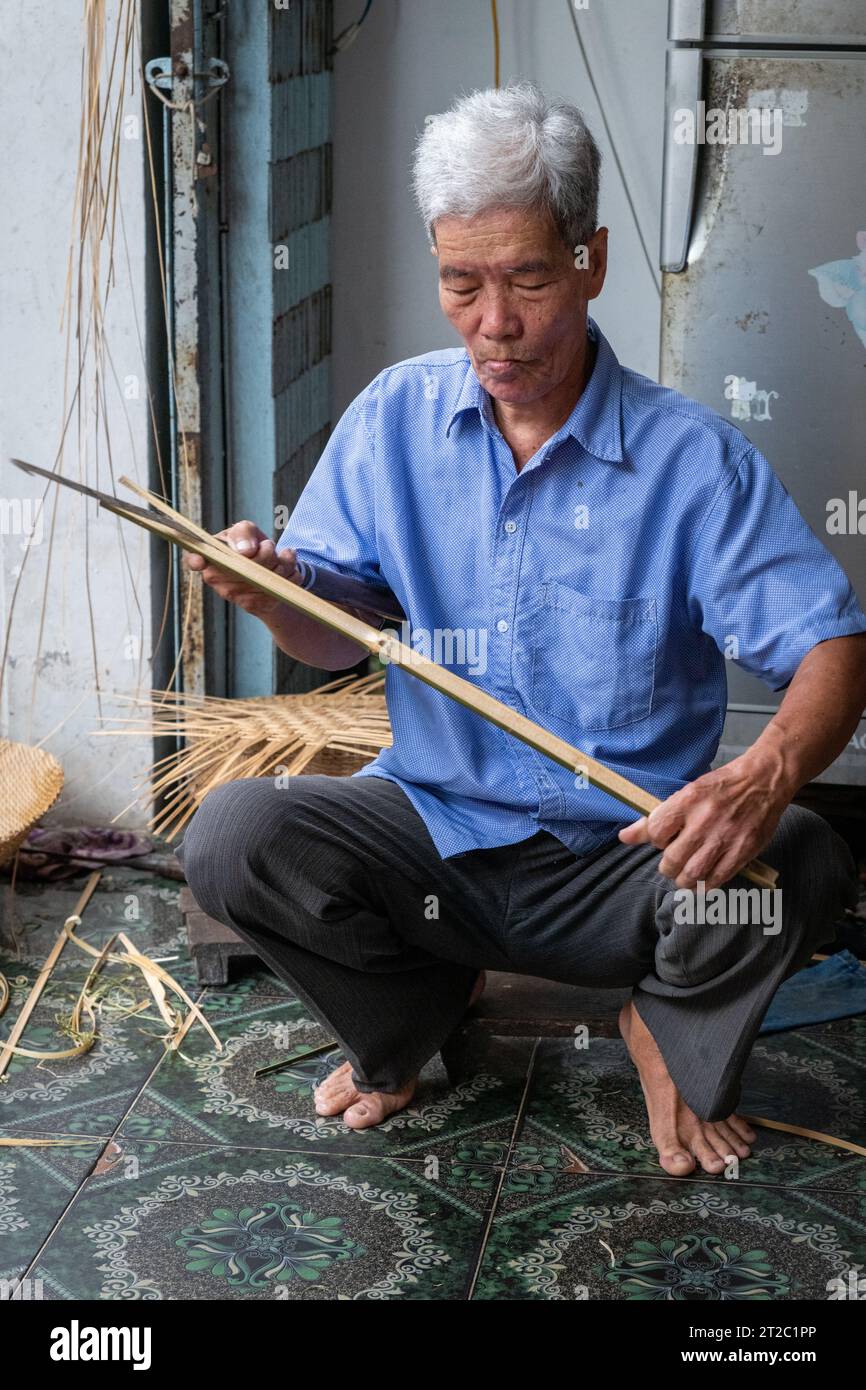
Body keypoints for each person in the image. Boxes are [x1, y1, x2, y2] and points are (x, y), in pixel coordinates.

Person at [177, 82, 866, 1176]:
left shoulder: (690, 463)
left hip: (624, 869)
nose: (492, 324)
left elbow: (832, 648)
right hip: (432, 832)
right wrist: (279, 592)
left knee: (798, 854)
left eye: (527, 280)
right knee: (232, 835)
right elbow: (339, 640)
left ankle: (659, 1022)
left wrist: (761, 773)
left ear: (588, 263)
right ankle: (408, 1017)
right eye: (461, 283)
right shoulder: (393, 420)